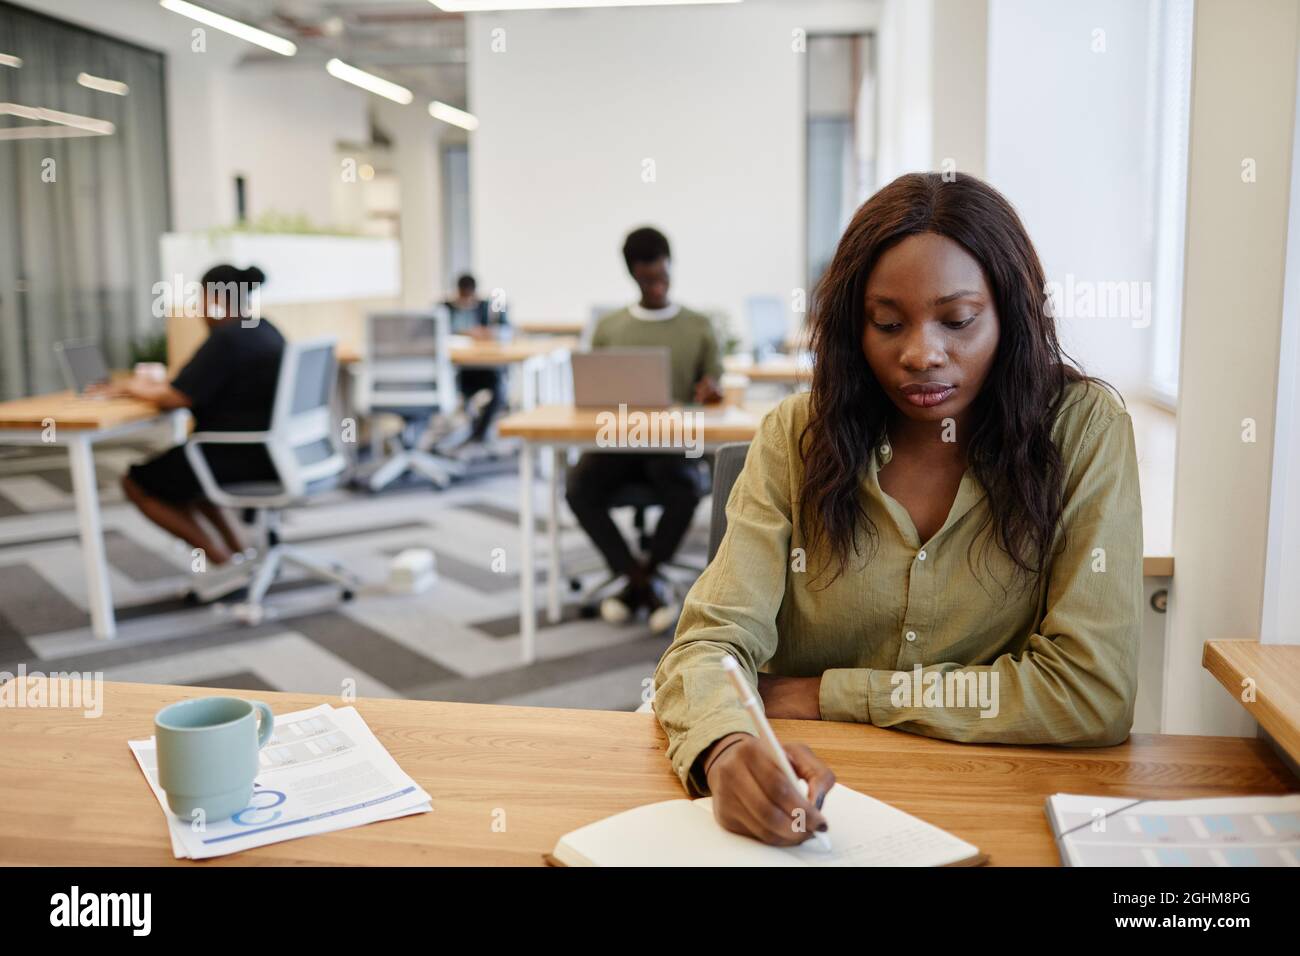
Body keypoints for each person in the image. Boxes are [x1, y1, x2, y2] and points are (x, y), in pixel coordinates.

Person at [653, 173, 1143, 847]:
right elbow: (708, 648)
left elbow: (1091, 692)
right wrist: (727, 746)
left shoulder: (1084, 431)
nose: (921, 354)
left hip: (985, 808)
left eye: (958, 320)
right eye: (888, 324)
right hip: (805, 813)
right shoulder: (797, 437)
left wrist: (828, 694)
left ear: (1012, 311)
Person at [566, 226, 724, 634]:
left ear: (670, 267)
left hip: (674, 444)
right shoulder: (610, 328)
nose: (655, 286)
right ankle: (642, 581)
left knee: (685, 487)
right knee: (579, 488)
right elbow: (594, 391)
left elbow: (715, 389)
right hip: (619, 440)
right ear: (632, 276)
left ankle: (638, 580)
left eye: (661, 277)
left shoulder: (698, 326)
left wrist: (711, 392)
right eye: (646, 279)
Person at [113, 264, 284, 566]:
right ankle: (238, 553)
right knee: (186, 475)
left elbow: (177, 398)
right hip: (270, 452)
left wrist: (131, 387)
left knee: (137, 482)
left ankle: (219, 561)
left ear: (215, 300)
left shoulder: (227, 339)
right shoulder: (263, 328)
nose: (198, 308)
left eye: (201, 299)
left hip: (236, 455)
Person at [444, 273, 508, 443]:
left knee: (499, 387)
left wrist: (489, 333)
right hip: (456, 370)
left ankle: (479, 433)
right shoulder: (444, 309)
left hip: (483, 366)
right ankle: (471, 431)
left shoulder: (487, 307)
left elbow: (505, 329)